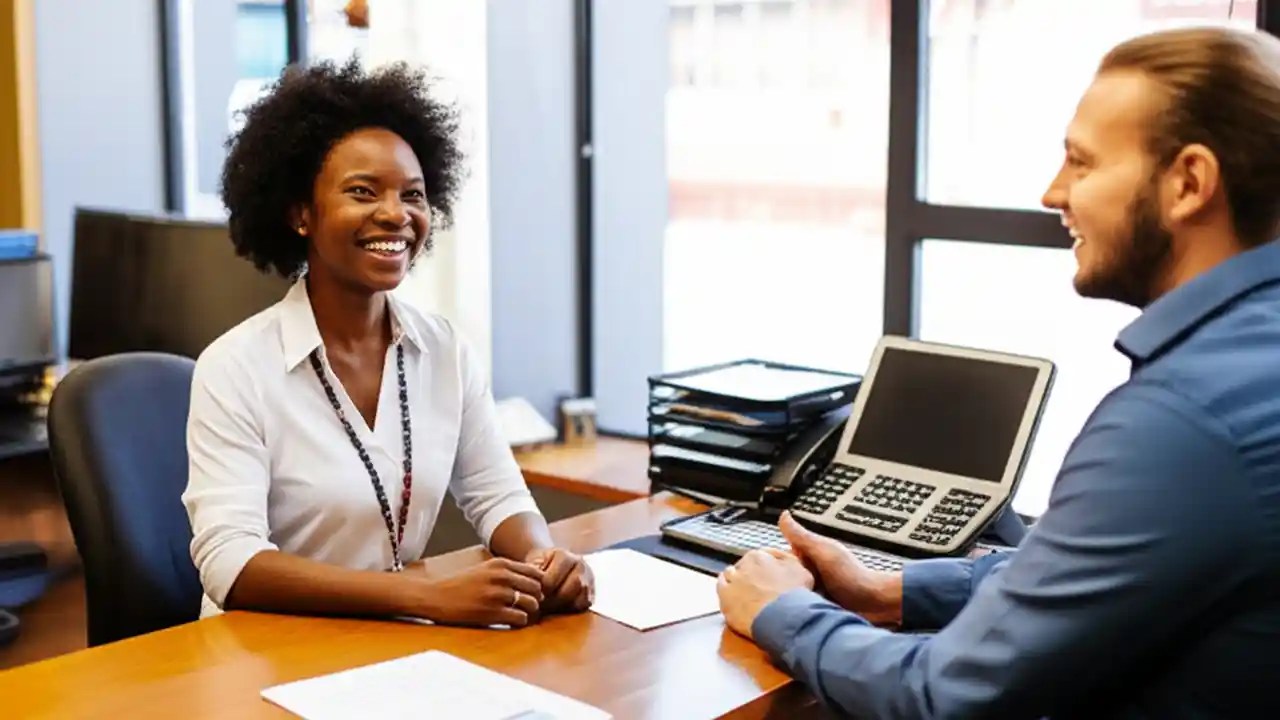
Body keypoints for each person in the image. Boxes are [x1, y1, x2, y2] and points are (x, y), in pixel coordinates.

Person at [717, 26, 1280, 719]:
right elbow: (1094, 569)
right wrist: (888, 591)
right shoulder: (1248, 362)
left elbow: (944, 697)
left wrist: (783, 612)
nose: (1052, 192)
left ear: (1189, 183)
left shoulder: (1182, 420)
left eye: (1081, 162)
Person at [183, 59, 592, 628]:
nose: (396, 214)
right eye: (362, 192)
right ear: (301, 213)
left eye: (413, 195)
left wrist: (544, 559)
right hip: (259, 648)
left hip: (390, 640)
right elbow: (231, 564)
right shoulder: (235, 367)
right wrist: (424, 596)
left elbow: (498, 497)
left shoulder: (444, 351)